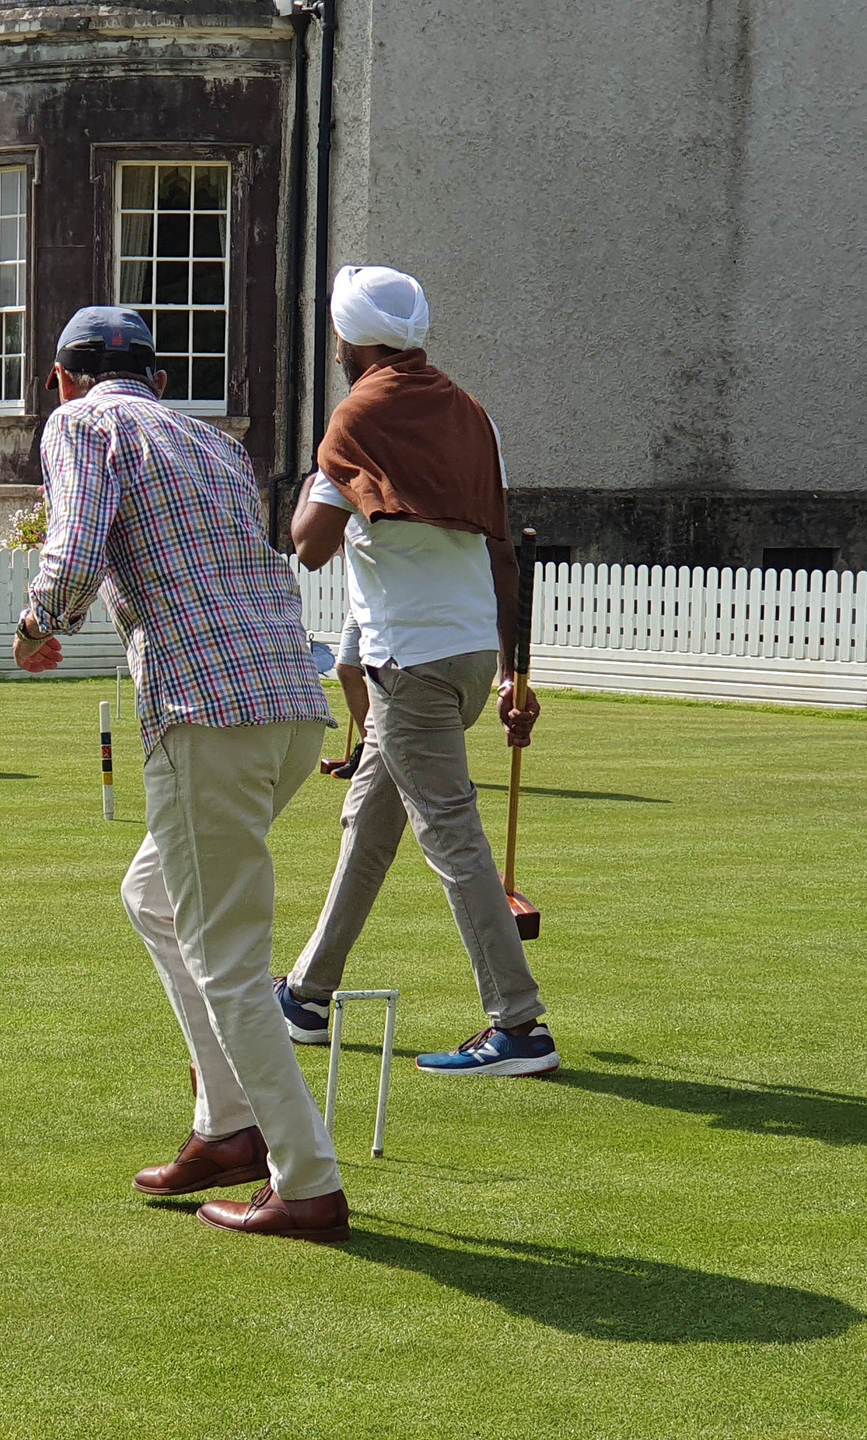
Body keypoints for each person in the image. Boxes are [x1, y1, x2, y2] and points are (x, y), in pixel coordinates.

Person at [14, 306, 349, 1243]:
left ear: (61, 378)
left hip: (205, 712)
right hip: (286, 703)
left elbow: (74, 550)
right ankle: (227, 1127)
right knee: (151, 893)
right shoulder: (213, 443)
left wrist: (39, 627)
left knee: (229, 965)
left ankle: (308, 1182)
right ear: (158, 380)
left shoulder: (80, 425)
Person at [273, 265, 556, 1078]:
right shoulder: (473, 414)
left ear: (350, 339)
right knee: (370, 823)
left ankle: (520, 1026)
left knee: (454, 841)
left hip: (413, 664)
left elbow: (309, 545)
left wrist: (317, 477)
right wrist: (511, 670)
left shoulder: (357, 416)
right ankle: (306, 996)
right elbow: (499, 548)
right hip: (464, 654)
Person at [329, 611, 369, 779]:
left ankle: (379, 752)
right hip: (362, 605)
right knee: (346, 668)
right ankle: (369, 749)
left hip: (401, 603)